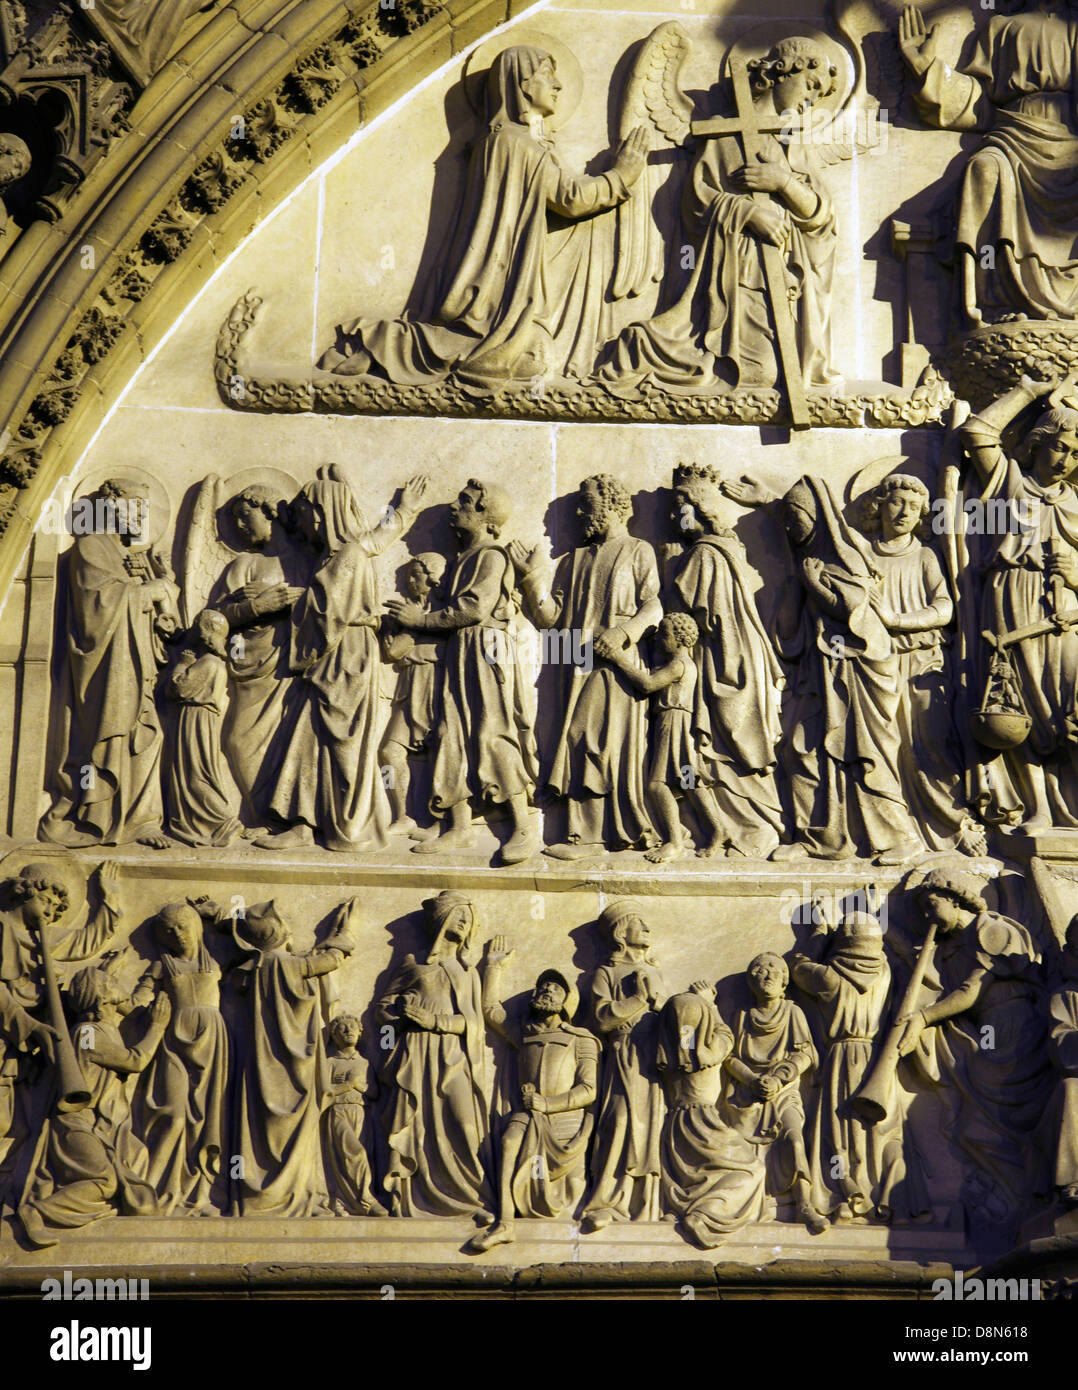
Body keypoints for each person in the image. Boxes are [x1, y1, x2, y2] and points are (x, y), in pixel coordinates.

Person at [317, 47, 649, 386]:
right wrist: (622, 175)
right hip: (497, 292)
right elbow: (570, 198)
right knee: (516, 356)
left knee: (525, 355)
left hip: (493, 284)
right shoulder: (516, 143)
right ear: (522, 84)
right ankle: (378, 343)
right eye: (548, 74)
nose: (558, 84)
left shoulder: (500, 141)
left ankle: (378, 347)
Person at [599, 38, 840, 394]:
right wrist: (745, 211)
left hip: (781, 279)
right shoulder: (724, 131)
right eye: (810, 86)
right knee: (760, 377)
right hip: (731, 277)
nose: (810, 101)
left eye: (818, 96)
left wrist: (784, 182)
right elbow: (697, 200)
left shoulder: (793, 145)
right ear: (782, 73)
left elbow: (821, 217)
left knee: (769, 376)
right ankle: (656, 345)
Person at [723, 472, 922, 863]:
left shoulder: (847, 557)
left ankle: (901, 839)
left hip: (859, 675)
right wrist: (770, 502)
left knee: (868, 757)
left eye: (799, 521)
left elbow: (855, 610)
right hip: (821, 678)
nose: (794, 528)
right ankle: (819, 839)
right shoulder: (811, 557)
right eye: (790, 521)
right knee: (801, 749)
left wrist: (814, 586)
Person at [258, 468, 428, 851]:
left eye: (304, 515)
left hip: (347, 653)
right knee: (308, 734)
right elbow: (378, 537)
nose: (302, 525)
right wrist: (402, 511)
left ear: (321, 513)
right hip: (333, 655)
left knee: (343, 741)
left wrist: (290, 600)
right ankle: (303, 823)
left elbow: (326, 606)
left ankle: (348, 826)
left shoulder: (348, 553)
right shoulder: (344, 552)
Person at [386, 482, 539, 865]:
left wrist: (421, 619)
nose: (455, 507)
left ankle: (522, 824)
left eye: (465, 503)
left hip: (484, 650)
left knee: (492, 732)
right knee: (449, 733)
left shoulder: (492, 556)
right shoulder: (462, 559)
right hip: (459, 651)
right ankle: (458, 826)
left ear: (486, 517)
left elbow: (472, 609)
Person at [511, 474, 662, 858]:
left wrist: (625, 632)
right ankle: (581, 833)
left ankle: (598, 836)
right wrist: (530, 578)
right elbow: (550, 619)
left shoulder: (637, 550)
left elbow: (654, 605)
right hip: (574, 664)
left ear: (612, 503)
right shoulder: (573, 560)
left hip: (616, 664)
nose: (579, 512)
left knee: (598, 741)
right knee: (576, 744)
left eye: (587, 502)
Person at [899, 1, 1078, 325]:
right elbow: (978, 104)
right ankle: (987, 304)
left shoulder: (1074, 27)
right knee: (983, 170)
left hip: (1069, 142)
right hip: (1013, 135)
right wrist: (928, 70)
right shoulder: (999, 27)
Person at [896, 869, 1052, 1219]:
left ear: (954, 898)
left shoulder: (992, 931)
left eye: (930, 905)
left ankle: (1036, 1189)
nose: (926, 915)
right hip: (991, 1029)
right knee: (975, 1128)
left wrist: (922, 1018)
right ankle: (1022, 1197)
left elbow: (969, 992)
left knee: (995, 1120)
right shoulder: (956, 947)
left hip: (1013, 1025)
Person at [959, 376, 1078, 827]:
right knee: (1022, 702)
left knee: (1070, 703)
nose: (1066, 460)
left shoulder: (1077, 502)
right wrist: (1028, 391)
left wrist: (1075, 576)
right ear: (1037, 443)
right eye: (1059, 448)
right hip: (1015, 595)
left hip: (1067, 608)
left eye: (1076, 454)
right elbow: (977, 433)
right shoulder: (1011, 483)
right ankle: (1040, 810)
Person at [41, 479, 179, 849]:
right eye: (137, 507)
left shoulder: (122, 554)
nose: (142, 517)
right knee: (109, 743)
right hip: (107, 670)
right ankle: (91, 813)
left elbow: (159, 619)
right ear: (113, 506)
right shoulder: (91, 546)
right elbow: (95, 611)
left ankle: (140, 819)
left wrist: (161, 588)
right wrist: (151, 592)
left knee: (149, 739)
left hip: (136, 666)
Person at [671, 463, 784, 857]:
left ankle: (750, 831)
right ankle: (755, 828)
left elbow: (697, 611)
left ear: (698, 508)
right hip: (744, 653)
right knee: (736, 741)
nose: (674, 514)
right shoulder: (730, 548)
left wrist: (672, 566)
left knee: (722, 742)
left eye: (680, 504)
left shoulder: (703, 554)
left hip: (724, 658)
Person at [19, 958, 170, 1247]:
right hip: (75, 1122)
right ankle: (36, 1212)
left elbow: (131, 1003)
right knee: (105, 1181)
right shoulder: (88, 1034)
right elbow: (135, 1060)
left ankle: (115, 1220)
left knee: (137, 1163)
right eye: (110, 984)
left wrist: (145, 976)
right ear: (101, 998)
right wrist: (158, 1027)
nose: (116, 985)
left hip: (102, 1127)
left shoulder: (103, 1027)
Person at [857, 473, 970, 851]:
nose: (903, 512)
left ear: (922, 513)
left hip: (922, 661)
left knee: (931, 742)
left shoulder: (924, 555)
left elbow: (944, 607)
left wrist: (897, 620)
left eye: (913, 506)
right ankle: (896, 830)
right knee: (887, 747)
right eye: (896, 503)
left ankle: (954, 824)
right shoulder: (863, 554)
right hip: (874, 667)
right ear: (879, 506)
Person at [792, 911, 927, 1223]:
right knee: (883, 1131)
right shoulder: (885, 972)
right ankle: (891, 1199)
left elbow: (797, 967)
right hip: (877, 1057)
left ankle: (847, 1195)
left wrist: (819, 935)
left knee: (840, 1132)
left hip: (841, 1057)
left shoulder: (829, 976)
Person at [467, 943, 598, 1251]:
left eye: (554, 988)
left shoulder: (581, 1041)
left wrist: (547, 1104)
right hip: (527, 1114)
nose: (546, 991)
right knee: (509, 1142)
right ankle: (505, 1223)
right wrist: (493, 967)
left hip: (564, 1120)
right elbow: (491, 1012)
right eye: (542, 987)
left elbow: (589, 1089)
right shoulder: (525, 1034)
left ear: (568, 1001)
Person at [231, 898, 356, 1216]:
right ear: (279, 930)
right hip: (291, 1070)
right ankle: (291, 1195)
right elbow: (327, 961)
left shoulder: (262, 964)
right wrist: (343, 934)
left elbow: (308, 959)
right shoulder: (285, 964)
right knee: (296, 1127)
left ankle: (260, 1193)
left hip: (264, 1065)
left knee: (264, 1129)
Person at [376, 890, 493, 1219]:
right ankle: (410, 1199)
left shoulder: (468, 972)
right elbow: (383, 1009)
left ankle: (475, 1200)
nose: (464, 922)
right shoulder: (413, 965)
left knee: (466, 1125)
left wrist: (436, 1021)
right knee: (416, 1126)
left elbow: (474, 1024)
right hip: (415, 1057)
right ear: (440, 921)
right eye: (458, 915)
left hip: (453, 1057)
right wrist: (400, 1015)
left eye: (468, 918)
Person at [212, 484, 305, 824]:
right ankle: (263, 816)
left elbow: (332, 603)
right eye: (234, 519)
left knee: (290, 743)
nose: (239, 525)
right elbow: (214, 618)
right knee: (238, 740)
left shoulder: (307, 560)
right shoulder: (245, 563)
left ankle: (284, 820)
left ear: (269, 513)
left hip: (293, 668)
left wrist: (287, 600)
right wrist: (254, 606)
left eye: (244, 515)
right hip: (250, 669)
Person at [131, 901, 229, 1214]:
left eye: (183, 926)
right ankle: (156, 1190)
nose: (178, 934)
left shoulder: (218, 956)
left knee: (209, 1116)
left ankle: (203, 1194)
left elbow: (253, 944)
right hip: (172, 1041)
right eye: (169, 930)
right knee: (173, 1114)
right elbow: (136, 1001)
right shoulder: (162, 965)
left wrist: (222, 917)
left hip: (213, 1042)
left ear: (197, 927)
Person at [606, 612, 726, 861]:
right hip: (676, 722)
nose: (659, 638)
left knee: (656, 785)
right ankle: (717, 829)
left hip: (673, 724)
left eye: (664, 634)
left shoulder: (678, 665)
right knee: (690, 781)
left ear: (681, 640)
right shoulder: (685, 664)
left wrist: (618, 658)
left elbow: (648, 684)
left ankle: (674, 842)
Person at [656, 985, 766, 1248]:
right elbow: (726, 1037)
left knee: (693, 1175)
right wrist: (710, 1005)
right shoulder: (705, 1049)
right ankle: (705, 1214)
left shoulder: (671, 1051)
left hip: (674, 1124)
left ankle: (683, 1208)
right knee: (753, 1169)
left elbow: (686, 1035)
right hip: (702, 1122)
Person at [724, 952, 826, 1233]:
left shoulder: (792, 1012)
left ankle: (804, 1203)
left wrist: (779, 1079)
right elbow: (729, 1057)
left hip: (783, 1093)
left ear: (784, 983)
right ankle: (749, 1206)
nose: (767, 975)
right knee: (743, 1151)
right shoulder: (742, 1016)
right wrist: (753, 1079)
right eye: (759, 970)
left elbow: (805, 1054)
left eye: (774, 971)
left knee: (794, 1139)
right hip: (747, 1096)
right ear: (750, 981)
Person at [582, 899, 666, 1230]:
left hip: (651, 1060)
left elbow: (666, 1014)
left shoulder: (655, 971)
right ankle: (606, 1200)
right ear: (621, 932)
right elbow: (601, 1018)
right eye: (639, 923)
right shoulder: (607, 972)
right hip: (622, 1054)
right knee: (618, 1121)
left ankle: (645, 1204)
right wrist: (638, 999)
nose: (647, 928)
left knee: (650, 1129)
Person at [163, 609, 243, 849]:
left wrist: (182, 665)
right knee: (197, 772)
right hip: (201, 719)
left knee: (194, 774)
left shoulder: (208, 663)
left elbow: (178, 689)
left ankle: (223, 822)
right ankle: (207, 821)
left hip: (194, 719)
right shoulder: (215, 663)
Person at [380, 552, 446, 836]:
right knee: (388, 753)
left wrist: (420, 622)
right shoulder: (402, 613)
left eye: (414, 574)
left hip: (437, 687)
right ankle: (402, 815)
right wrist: (409, 625)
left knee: (440, 754)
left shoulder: (446, 610)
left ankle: (440, 820)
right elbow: (393, 651)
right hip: (408, 688)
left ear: (432, 577)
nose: (408, 580)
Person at [322, 1013, 387, 1217]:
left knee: (360, 1155)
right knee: (352, 1153)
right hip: (338, 1111)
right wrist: (346, 1086)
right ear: (333, 1035)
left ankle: (343, 1200)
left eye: (352, 1027)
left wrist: (361, 1086)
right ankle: (366, 1198)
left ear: (360, 1032)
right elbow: (323, 1092)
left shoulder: (365, 1063)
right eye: (342, 1028)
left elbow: (374, 1092)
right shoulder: (329, 1062)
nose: (348, 1031)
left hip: (360, 1111)